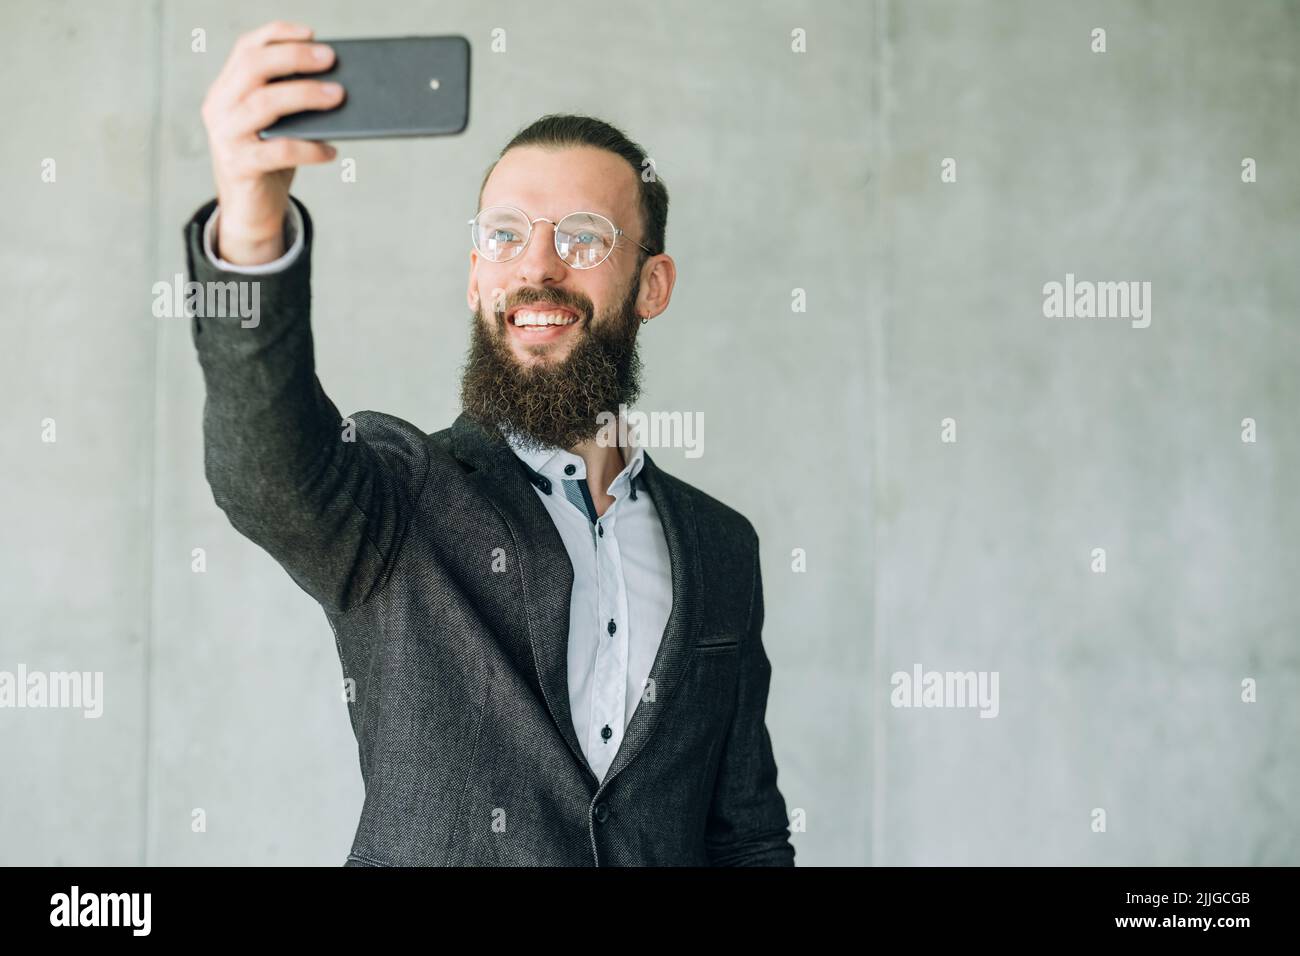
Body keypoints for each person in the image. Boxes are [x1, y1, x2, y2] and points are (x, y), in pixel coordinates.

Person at [187, 20, 795, 866]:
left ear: (651, 285)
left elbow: (747, 837)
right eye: (505, 235)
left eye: (584, 237)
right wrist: (252, 225)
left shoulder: (723, 548)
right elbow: (261, 470)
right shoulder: (399, 500)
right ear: (476, 278)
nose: (537, 267)